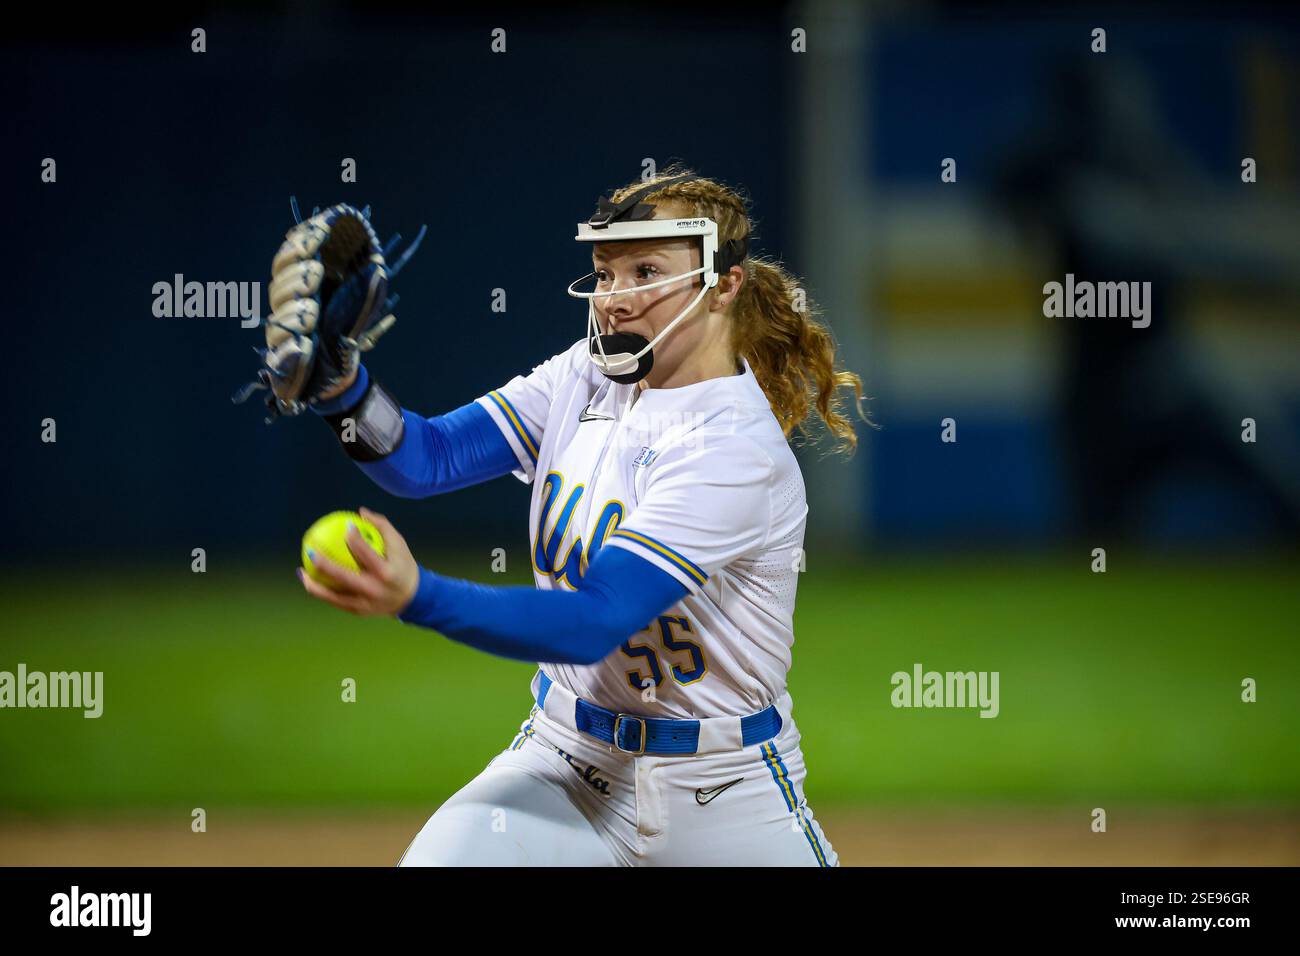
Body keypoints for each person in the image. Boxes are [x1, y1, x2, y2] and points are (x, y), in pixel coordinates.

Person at [297, 169, 866, 866]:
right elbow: (426, 458)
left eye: (645, 271)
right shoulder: (584, 375)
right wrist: (342, 390)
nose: (614, 298)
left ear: (724, 285)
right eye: (604, 273)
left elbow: (593, 621)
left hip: (723, 796)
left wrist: (420, 595)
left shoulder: (733, 446)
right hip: (563, 761)